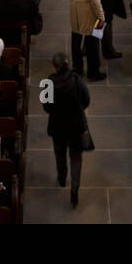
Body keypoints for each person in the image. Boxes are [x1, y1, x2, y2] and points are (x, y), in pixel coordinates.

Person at [43, 51, 92, 208]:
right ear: (67, 63)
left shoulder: (47, 82)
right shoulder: (77, 80)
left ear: (55, 66)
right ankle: (75, 189)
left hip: (57, 125)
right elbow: (86, 101)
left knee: (59, 153)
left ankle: (62, 178)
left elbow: (46, 107)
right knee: (76, 157)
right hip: (76, 125)